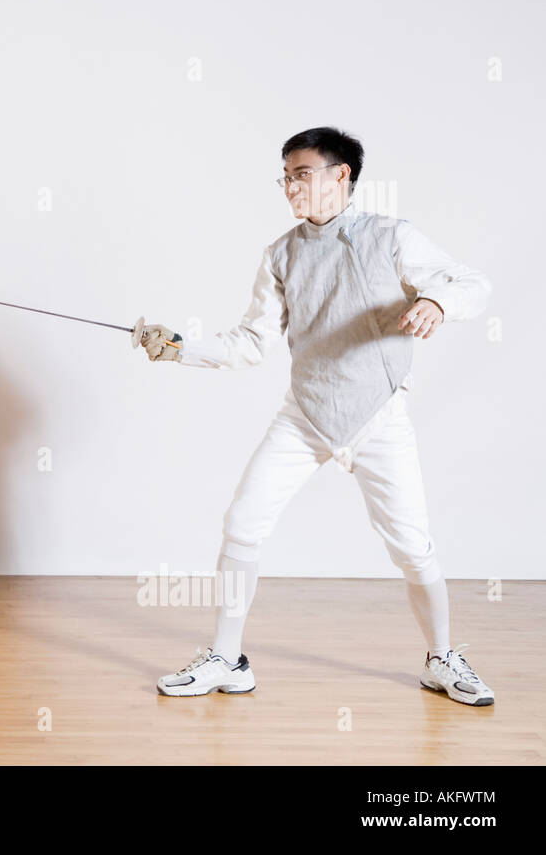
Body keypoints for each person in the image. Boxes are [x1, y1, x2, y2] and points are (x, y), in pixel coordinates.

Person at [141, 127, 495, 706]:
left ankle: (442, 659)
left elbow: (473, 284)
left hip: (378, 415)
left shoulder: (392, 237)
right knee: (242, 526)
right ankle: (228, 659)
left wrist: (435, 301)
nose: (290, 187)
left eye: (301, 174)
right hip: (305, 414)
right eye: (285, 176)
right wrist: (179, 346)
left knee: (412, 547)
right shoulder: (279, 254)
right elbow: (249, 344)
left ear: (341, 176)